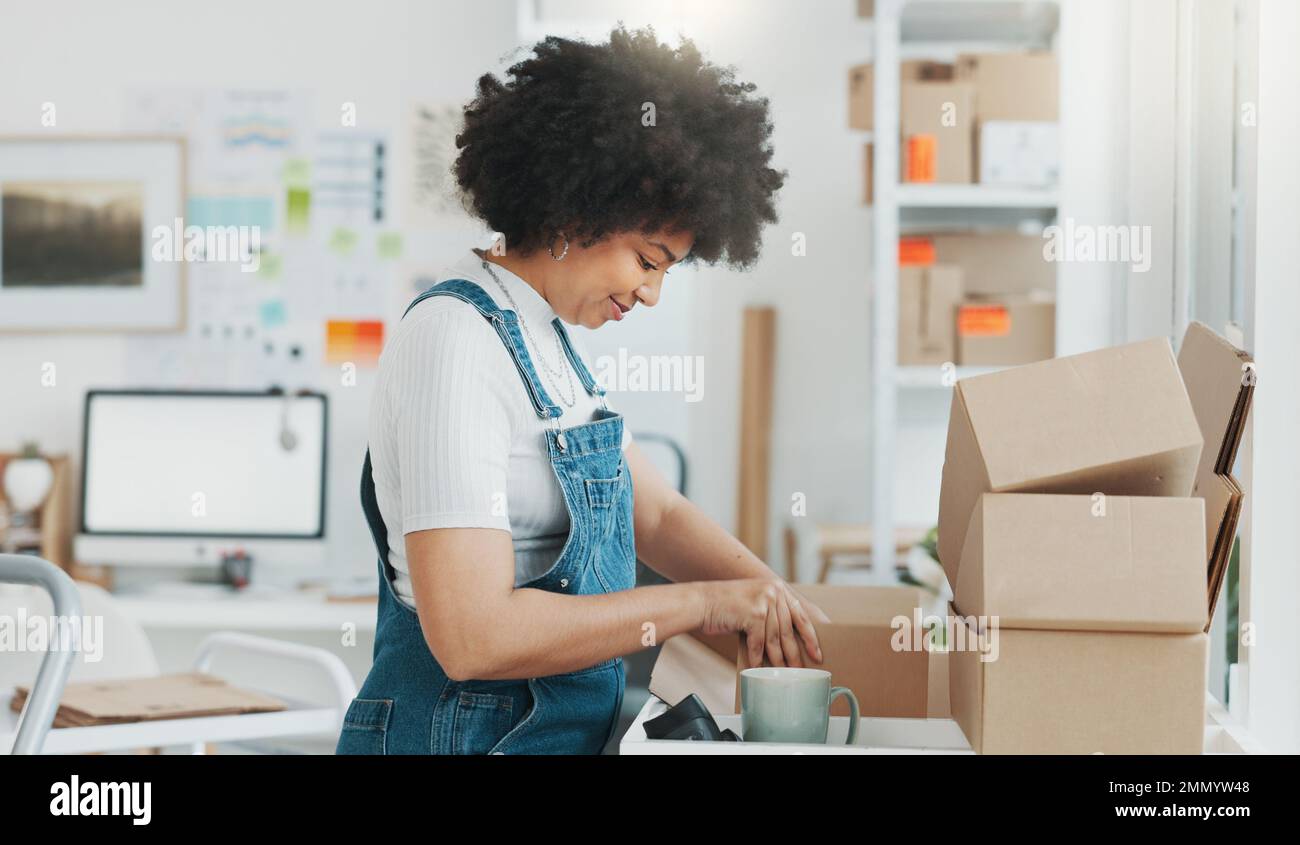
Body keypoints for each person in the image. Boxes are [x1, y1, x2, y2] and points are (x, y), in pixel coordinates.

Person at [337, 26, 828, 756]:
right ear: (575, 212)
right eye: (647, 259)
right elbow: (473, 638)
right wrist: (702, 603)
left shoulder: (550, 345)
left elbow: (654, 510)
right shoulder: (454, 341)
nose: (653, 292)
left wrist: (779, 606)